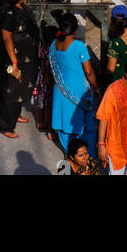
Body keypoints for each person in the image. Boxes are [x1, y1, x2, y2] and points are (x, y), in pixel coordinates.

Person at [48, 11, 99, 151]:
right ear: (75, 30)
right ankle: (84, 156)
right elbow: (89, 72)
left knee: (65, 125)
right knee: (82, 126)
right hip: (78, 92)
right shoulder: (79, 47)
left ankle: (69, 152)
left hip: (60, 91)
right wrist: (96, 87)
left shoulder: (53, 45)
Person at [0, 0, 40, 138]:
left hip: (25, 56)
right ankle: (5, 125)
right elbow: (7, 37)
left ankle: (15, 115)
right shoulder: (8, 12)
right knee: (10, 90)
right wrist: (14, 62)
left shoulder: (21, 7)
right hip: (13, 57)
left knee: (21, 86)